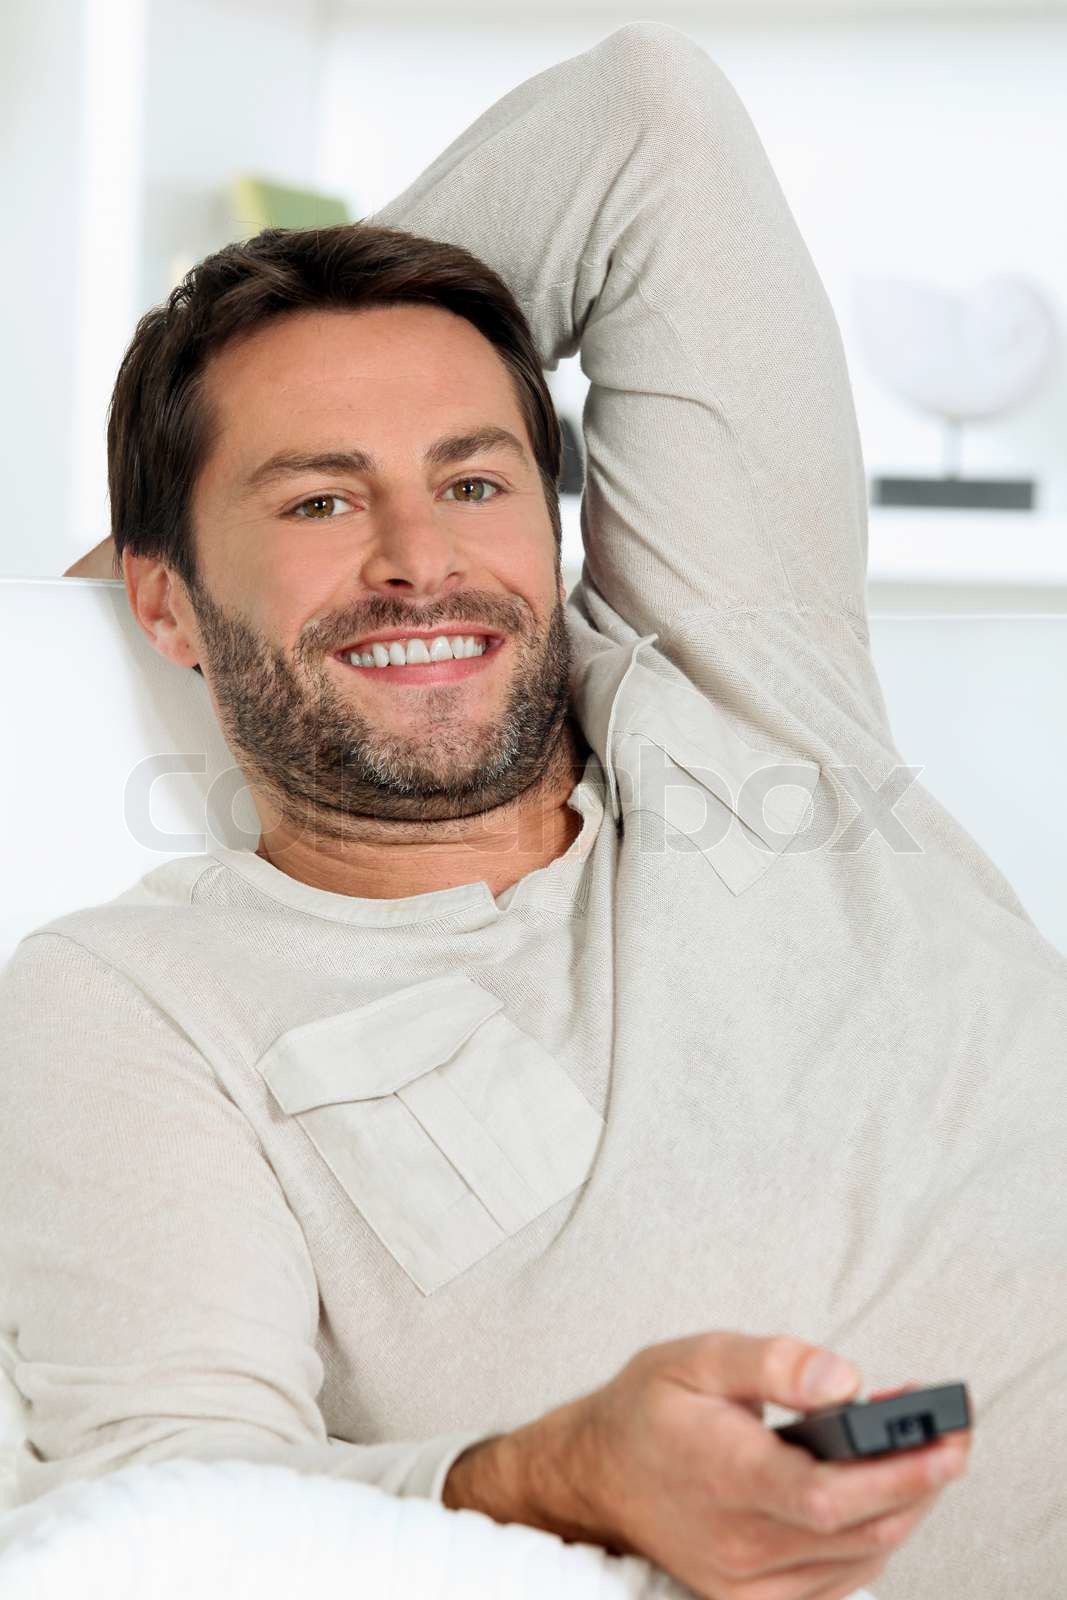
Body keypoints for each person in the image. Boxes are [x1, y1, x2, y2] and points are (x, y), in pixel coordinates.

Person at [4, 21, 1064, 1599]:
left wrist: (318, 333)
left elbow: (645, 119)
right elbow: (165, 1503)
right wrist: (559, 1475)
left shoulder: (753, 694)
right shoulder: (130, 1007)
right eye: (317, 498)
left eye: (477, 479)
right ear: (164, 605)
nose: (419, 557)